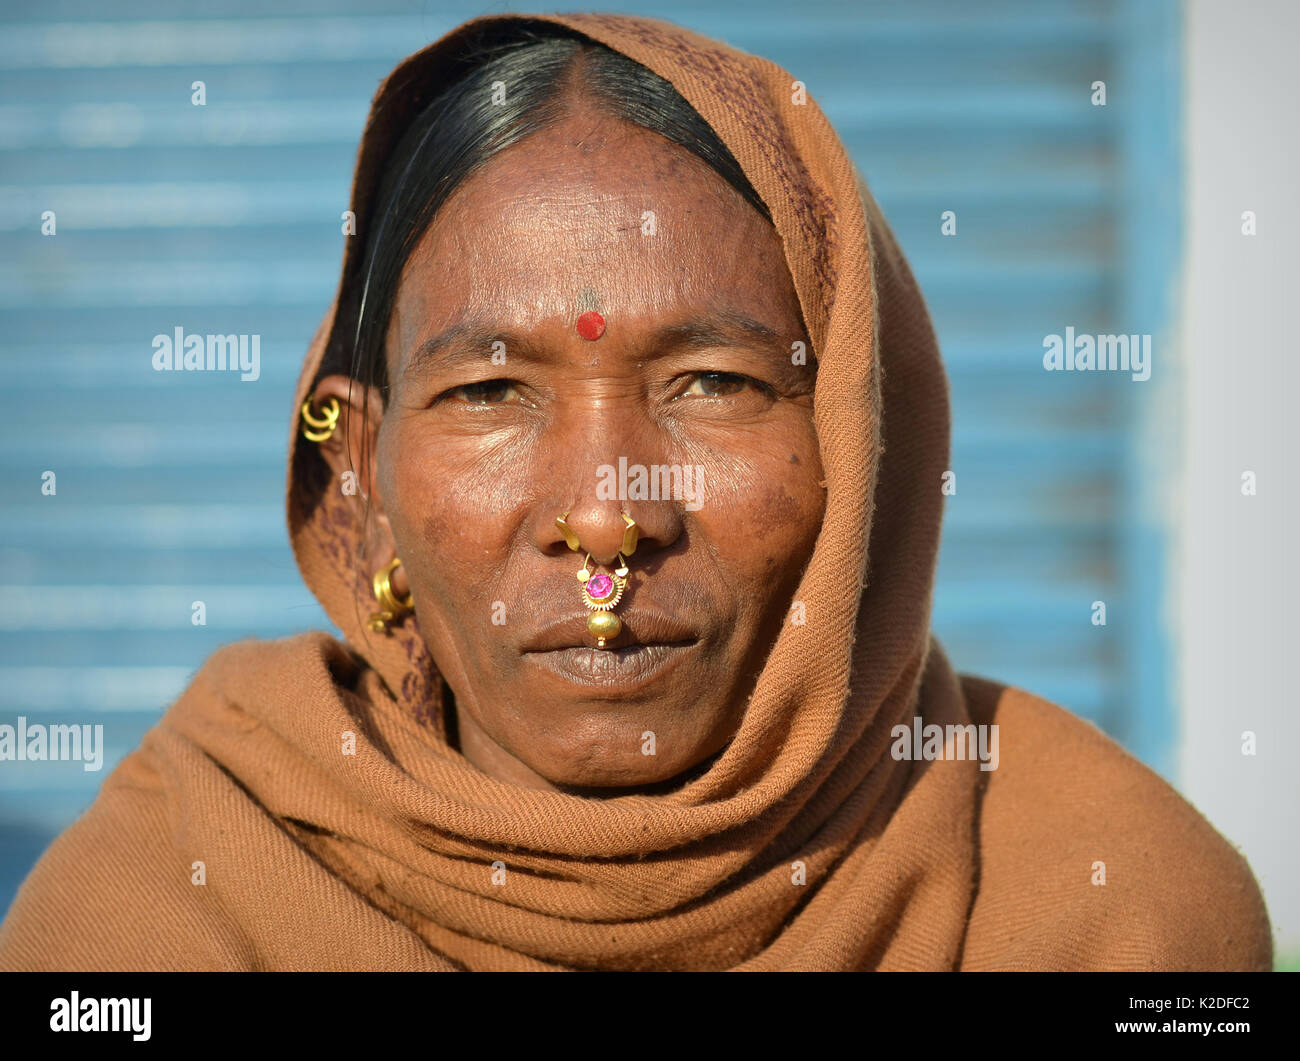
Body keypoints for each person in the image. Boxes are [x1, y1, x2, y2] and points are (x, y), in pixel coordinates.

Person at [0, 12, 1271, 971]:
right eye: (491, 392)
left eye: (714, 382)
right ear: (362, 478)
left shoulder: (1108, 909)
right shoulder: (168, 904)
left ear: (861, 445)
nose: (608, 519)